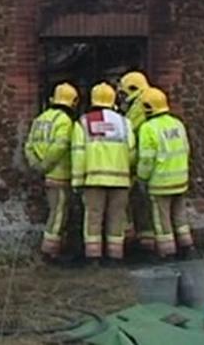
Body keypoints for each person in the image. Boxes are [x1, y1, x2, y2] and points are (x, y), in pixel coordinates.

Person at [71, 82, 135, 264]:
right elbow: (132, 152)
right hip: (121, 181)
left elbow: (78, 155)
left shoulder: (83, 123)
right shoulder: (124, 123)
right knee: (117, 218)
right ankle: (115, 257)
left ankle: (94, 258)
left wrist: (77, 183)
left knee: (93, 218)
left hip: (94, 181)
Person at [135, 87, 196, 259]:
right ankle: (187, 246)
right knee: (179, 216)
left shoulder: (148, 128)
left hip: (160, 183)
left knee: (162, 220)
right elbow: (186, 149)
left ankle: (167, 252)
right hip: (180, 179)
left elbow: (147, 159)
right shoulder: (177, 123)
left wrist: (142, 178)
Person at [24, 82, 79, 261]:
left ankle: (54, 247)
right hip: (59, 175)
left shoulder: (41, 119)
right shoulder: (65, 121)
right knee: (59, 214)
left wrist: (37, 165)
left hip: (45, 174)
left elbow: (29, 145)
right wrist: (47, 165)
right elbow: (60, 147)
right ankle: (50, 251)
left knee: (55, 211)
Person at [118, 70, 155, 254]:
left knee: (141, 205)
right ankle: (146, 242)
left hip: (142, 165)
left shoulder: (140, 105)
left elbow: (131, 133)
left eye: (123, 93)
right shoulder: (147, 100)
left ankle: (141, 246)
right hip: (147, 164)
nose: (122, 98)